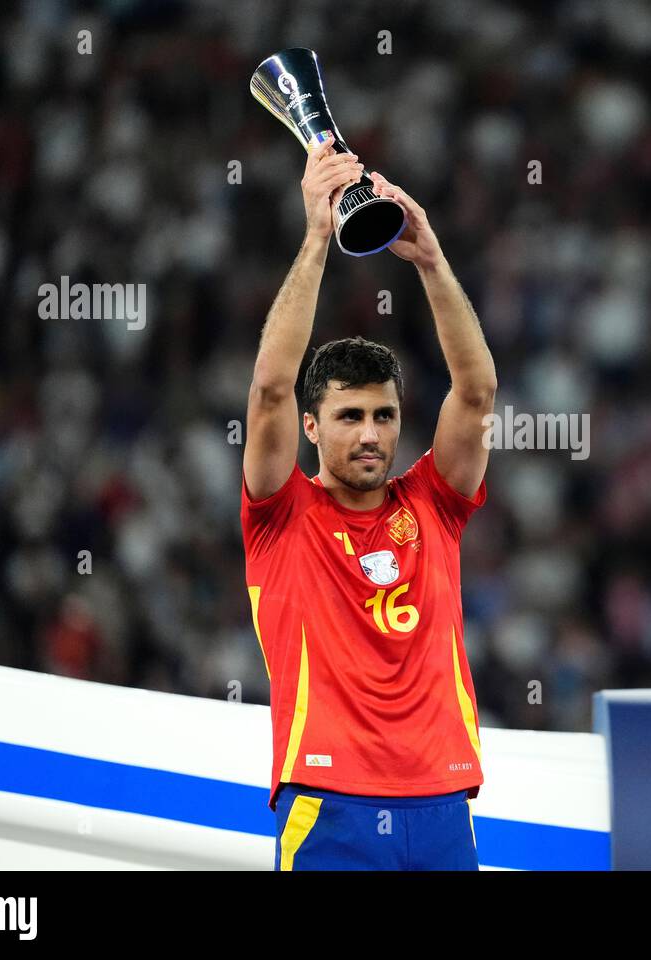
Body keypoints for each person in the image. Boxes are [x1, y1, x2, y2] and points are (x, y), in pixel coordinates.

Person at [240, 131, 497, 870]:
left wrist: (431, 260)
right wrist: (319, 234)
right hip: (328, 803)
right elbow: (269, 390)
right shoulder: (278, 515)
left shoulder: (436, 506)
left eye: (383, 416)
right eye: (350, 417)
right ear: (312, 427)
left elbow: (477, 392)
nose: (369, 435)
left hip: (443, 799)